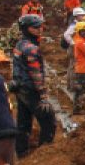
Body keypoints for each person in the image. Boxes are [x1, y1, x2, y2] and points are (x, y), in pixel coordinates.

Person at [10, 14, 56, 156]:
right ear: (26, 28)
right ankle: (44, 153)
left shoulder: (20, 44)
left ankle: (21, 152)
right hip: (31, 89)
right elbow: (36, 74)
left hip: (20, 87)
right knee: (48, 120)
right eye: (35, 27)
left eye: (40, 26)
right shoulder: (31, 49)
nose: (39, 29)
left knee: (23, 122)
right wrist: (43, 95)